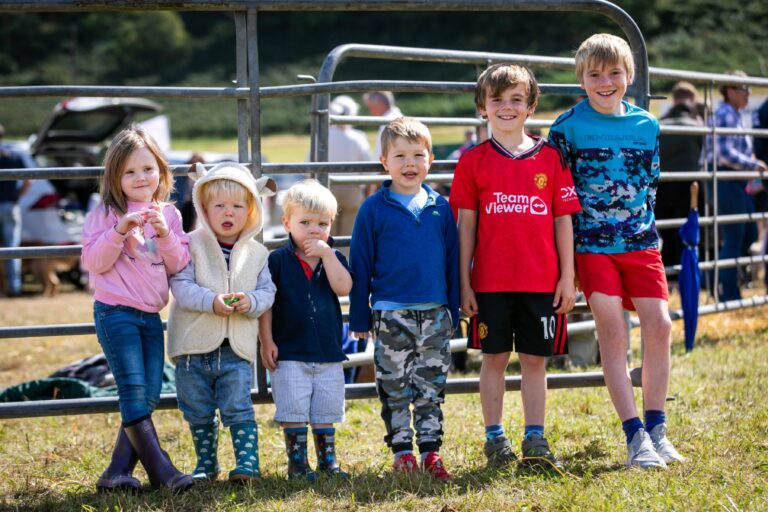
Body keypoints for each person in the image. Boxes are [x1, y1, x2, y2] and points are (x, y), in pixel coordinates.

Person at [548, 33, 685, 469]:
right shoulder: (565, 128)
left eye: (614, 73)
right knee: (612, 329)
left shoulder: (647, 124)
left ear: (629, 75)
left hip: (641, 243)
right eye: (594, 74)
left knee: (660, 325)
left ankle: (658, 427)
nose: (605, 81)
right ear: (581, 79)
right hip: (593, 246)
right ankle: (634, 436)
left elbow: (650, 185)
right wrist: (565, 265)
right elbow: (559, 198)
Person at [450, 64, 580, 472]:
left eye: (516, 99)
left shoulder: (551, 158)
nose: (507, 107)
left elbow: (563, 220)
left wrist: (568, 276)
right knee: (493, 358)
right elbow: (465, 225)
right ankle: (495, 437)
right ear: (482, 107)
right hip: (489, 283)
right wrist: (464, 284)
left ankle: (534, 436)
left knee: (534, 360)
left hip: (541, 280)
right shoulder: (473, 161)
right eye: (497, 100)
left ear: (531, 105)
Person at [81, 125, 194, 493]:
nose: (140, 177)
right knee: (132, 389)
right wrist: (118, 232)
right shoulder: (106, 213)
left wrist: (164, 234)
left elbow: (178, 264)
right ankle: (163, 472)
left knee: (148, 394)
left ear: (161, 170)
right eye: (129, 172)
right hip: (115, 313)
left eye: (148, 168)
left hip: (150, 316)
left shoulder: (171, 215)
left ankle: (115, 473)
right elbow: (93, 263)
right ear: (116, 177)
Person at [349, 117, 459, 482]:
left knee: (430, 387)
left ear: (430, 159)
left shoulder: (440, 208)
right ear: (384, 161)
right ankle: (402, 452)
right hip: (390, 314)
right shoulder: (373, 209)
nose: (409, 164)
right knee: (394, 385)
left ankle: (430, 450)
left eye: (417, 155)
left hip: (435, 314)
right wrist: (360, 317)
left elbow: (452, 261)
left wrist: (453, 308)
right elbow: (360, 263)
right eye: (400, 156)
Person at [167, 162, 277, 482]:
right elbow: (181, 286)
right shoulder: (192, 244)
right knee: (197, 408)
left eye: (237, 206)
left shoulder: (257, 254)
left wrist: (251, 301)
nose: (228, 213)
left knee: (238, 405)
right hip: (193, 346)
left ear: (251, 210)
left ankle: (246, 464)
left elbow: (267, 292)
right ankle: (206, 464)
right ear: (204, 207)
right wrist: (211, 302)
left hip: (235, 349)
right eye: (219, 206)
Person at [258, 179, 353, 480]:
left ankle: (328, 461)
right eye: (305, 222)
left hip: (327, 351)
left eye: (322, 223)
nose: (314, 229)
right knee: (293, 407)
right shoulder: (277, 261)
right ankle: (297, 463)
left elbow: (344, 287)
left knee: (326, 408)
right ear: (286, 223)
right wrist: (267, 341)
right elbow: (267, 304)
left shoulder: (333, 259)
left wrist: (327, 254)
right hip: (289, 351)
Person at [701, 71, 768, 301]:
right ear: (730, 91)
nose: (748, 93)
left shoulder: (733, 114)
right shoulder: (726, 115)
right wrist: (755, 165)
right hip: (725, 177)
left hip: (733, 179)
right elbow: (726, 154)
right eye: (744, 88)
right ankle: (728, 291)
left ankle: (719, 281)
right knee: (735, 234)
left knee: (746, 232)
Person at [656, 82, 705, 274]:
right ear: (692, 100)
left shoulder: (660, 122)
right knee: (687, 229)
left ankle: (669, 273)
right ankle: (688, 272)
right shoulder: (698, 124)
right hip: (689, 183)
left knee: (666, 231)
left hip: (664, 183)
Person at [326, 95, 372, 242]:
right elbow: (368, 167)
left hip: (327, 188)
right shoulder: (358, 137)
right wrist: (367, 192)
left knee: (326, 229)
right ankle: (345, 262)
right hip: (353, 189)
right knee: (349, 234)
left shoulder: (323, 135)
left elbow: (309, 164)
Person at [0, 123, 33, 297]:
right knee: (12, 248)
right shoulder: (14, 154)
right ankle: (14, 288)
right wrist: (17, 195)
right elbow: (29, 180)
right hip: (9, 205)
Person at [364, 91, 403, 160]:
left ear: (380, 105)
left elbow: (381, 157)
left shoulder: (388, 123)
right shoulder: (398, 118)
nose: (370, 112)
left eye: (370, 107)